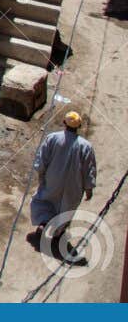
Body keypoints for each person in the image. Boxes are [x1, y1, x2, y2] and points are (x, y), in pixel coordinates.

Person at [29, 111, 97, 259]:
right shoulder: (86, 146)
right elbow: (88, 169)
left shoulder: (52, 138)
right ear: (79, 125)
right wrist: (89, 188)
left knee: (45, 202)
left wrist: (41, 174)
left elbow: (42, 160)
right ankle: (57, 233)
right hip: (74, 186)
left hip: (53, 180)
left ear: (64, 123)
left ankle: (44, 223)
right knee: (66, 209)